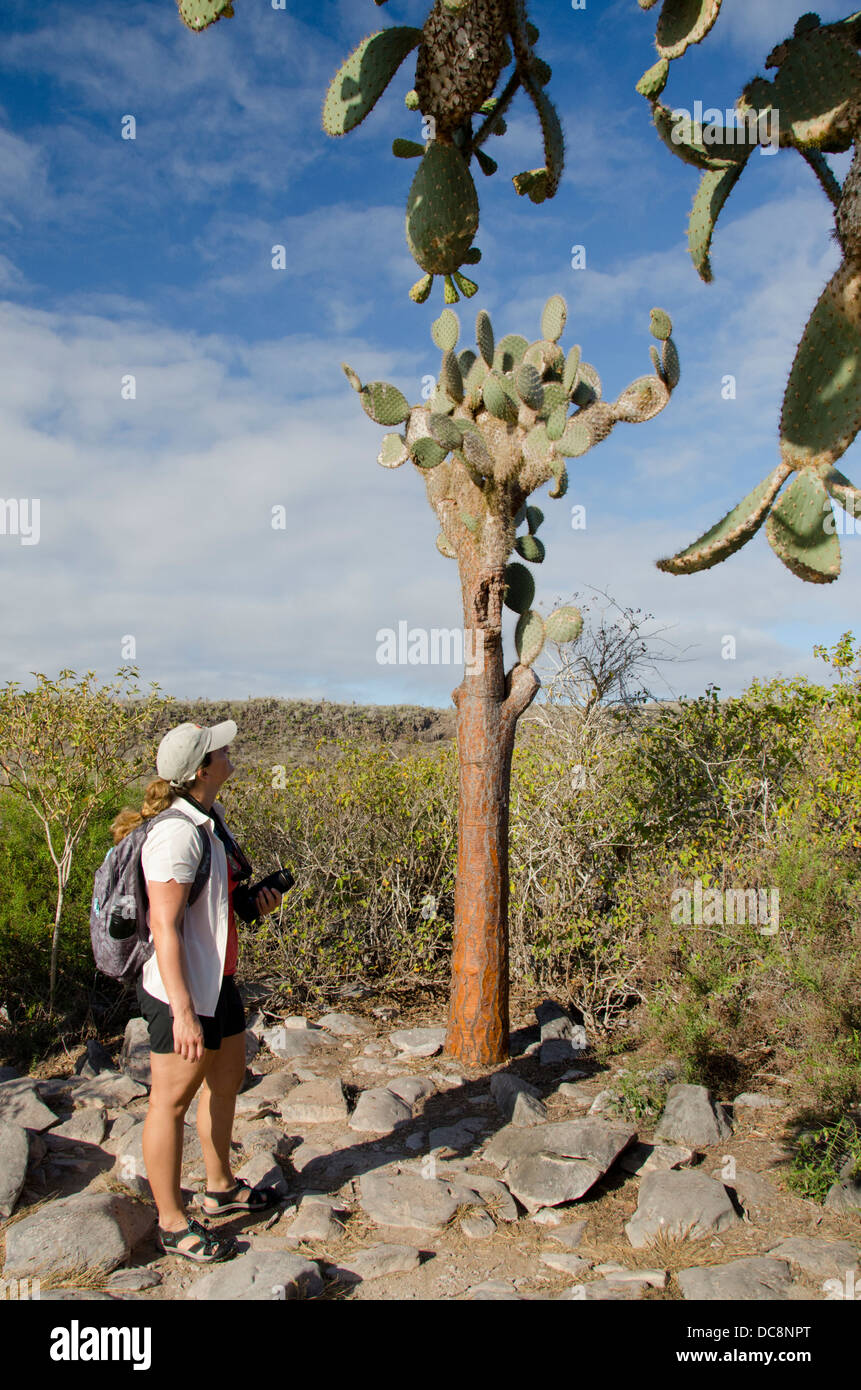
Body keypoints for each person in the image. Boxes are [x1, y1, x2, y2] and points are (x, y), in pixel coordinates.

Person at [112, 718, 284, 1263]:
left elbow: (211, 905)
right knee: (170, 1102)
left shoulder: (210, 820)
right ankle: (170, 1222)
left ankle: (220, 1186)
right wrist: (184, 1013)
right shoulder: (177, 834)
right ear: (201, 770)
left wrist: (251, 904)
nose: (229, 751)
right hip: (180, 991)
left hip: (216, 980)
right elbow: (163, 928)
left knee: (225, 1082)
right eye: (219, 749)